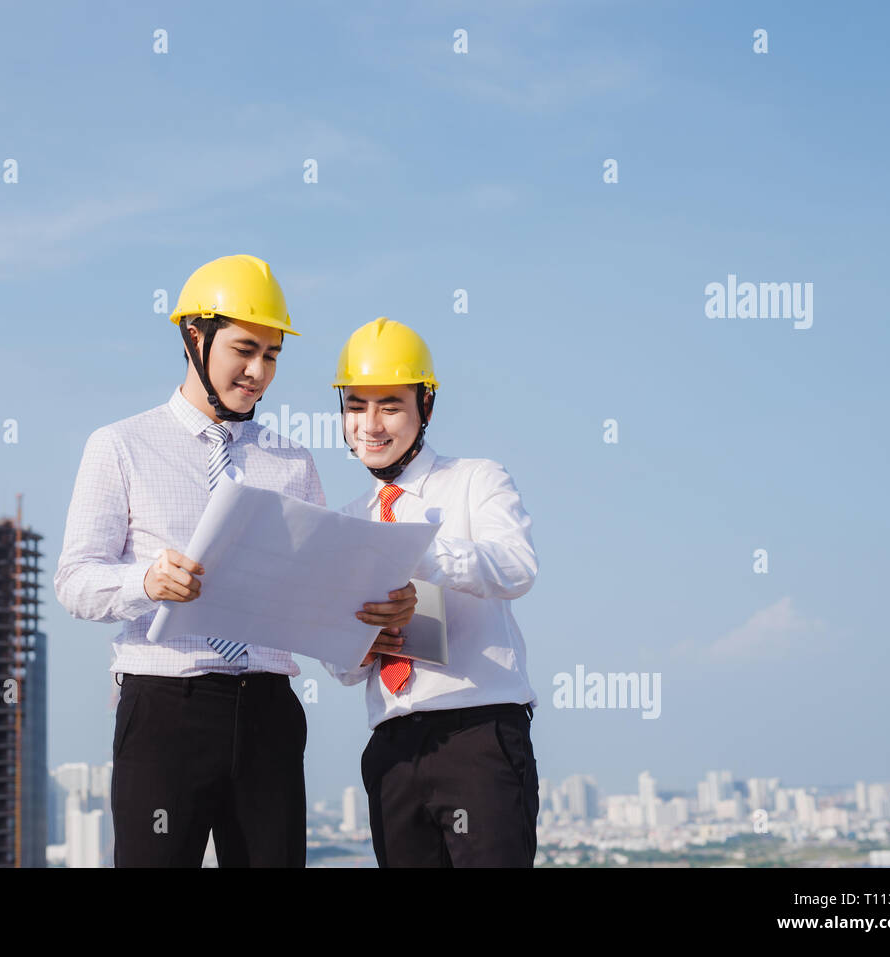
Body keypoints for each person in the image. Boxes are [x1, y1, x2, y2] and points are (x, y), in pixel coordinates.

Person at [53, 256, 417, 867]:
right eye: (244, 350)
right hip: (167, 707)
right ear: (194, 337)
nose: (258, 372)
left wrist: (369, 630)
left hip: (270, 714)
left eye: (272, 355)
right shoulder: (120, 446)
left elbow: (317, 594)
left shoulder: (291, 462)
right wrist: (147, 582)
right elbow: (74, 582)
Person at [322, 316, 541, 867]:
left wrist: (414, 552)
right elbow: (343, 669)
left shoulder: (477, 479)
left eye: (390, 405)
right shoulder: (345, 522)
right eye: (355, 406)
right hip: (392, 748)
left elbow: (516, 568)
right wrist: (363, 643)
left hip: (478, 733)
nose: (370, 424)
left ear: (426, 405)